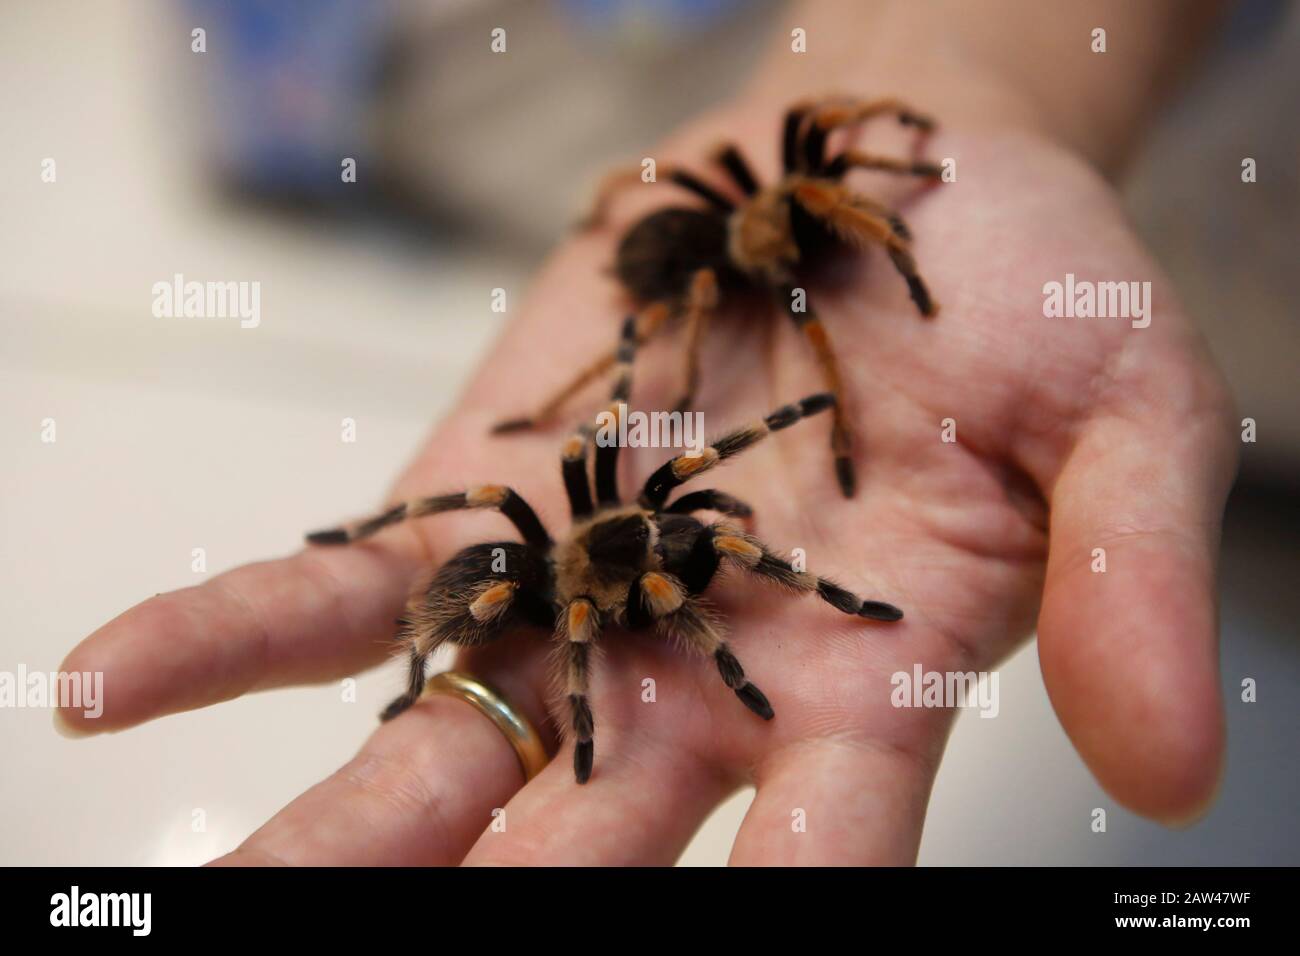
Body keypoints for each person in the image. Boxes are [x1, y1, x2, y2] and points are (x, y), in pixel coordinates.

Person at [56, 0, 1238, 865]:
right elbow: (608, 569)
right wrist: (725, 657)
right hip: (370, 72)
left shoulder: (649, 492)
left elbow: (683, 475)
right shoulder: (611, 575)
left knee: (625, 510)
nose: (686, 533)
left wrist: (967, 90)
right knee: (506, 564)